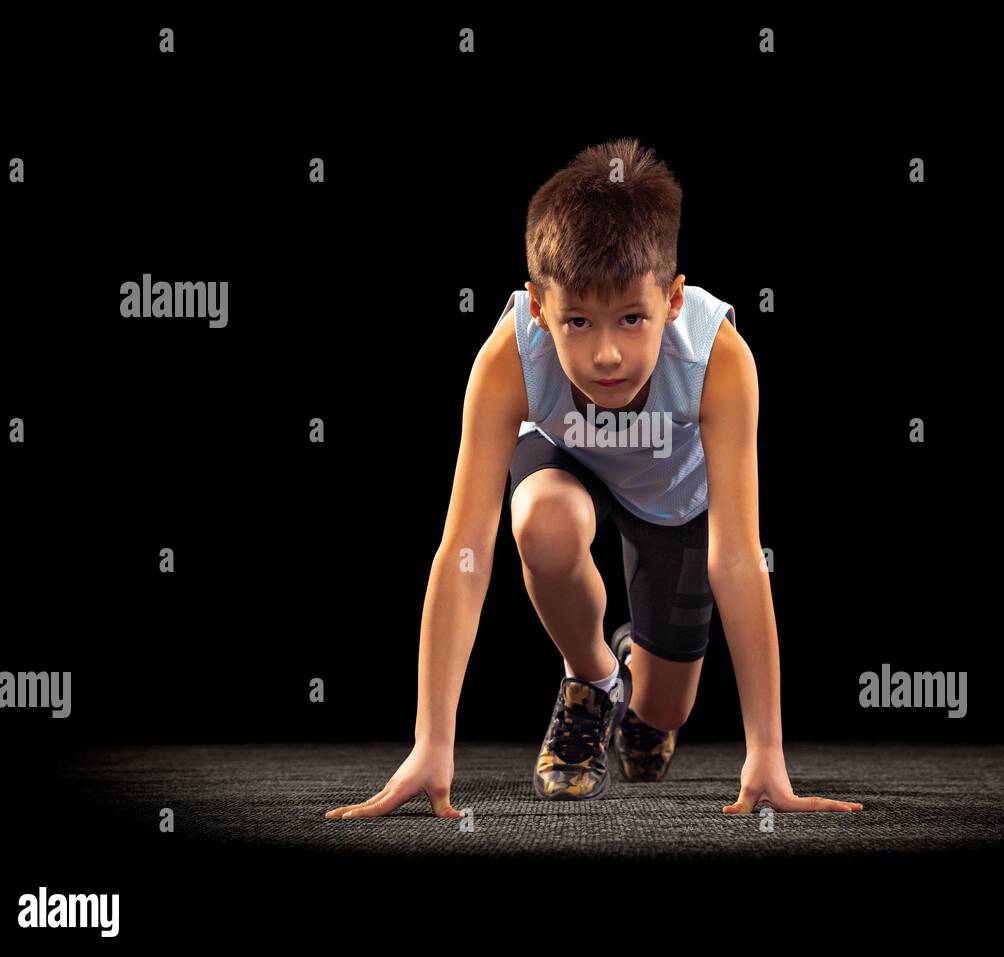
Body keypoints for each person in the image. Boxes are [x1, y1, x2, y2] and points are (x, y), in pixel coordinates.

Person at [325, 137, 863, 819]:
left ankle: (636, 679)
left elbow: (736, 555)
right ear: (540, 308)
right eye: (577, 321)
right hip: (565, 464)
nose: (606, 353)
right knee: (541, 526)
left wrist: (766, 752)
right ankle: (591, 676)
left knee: (664, 710)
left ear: (672, 300)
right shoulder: (508, 357)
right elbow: (463, 549)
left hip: (673, 497)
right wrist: (432, 741)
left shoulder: (719, 359)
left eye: (631, 319)